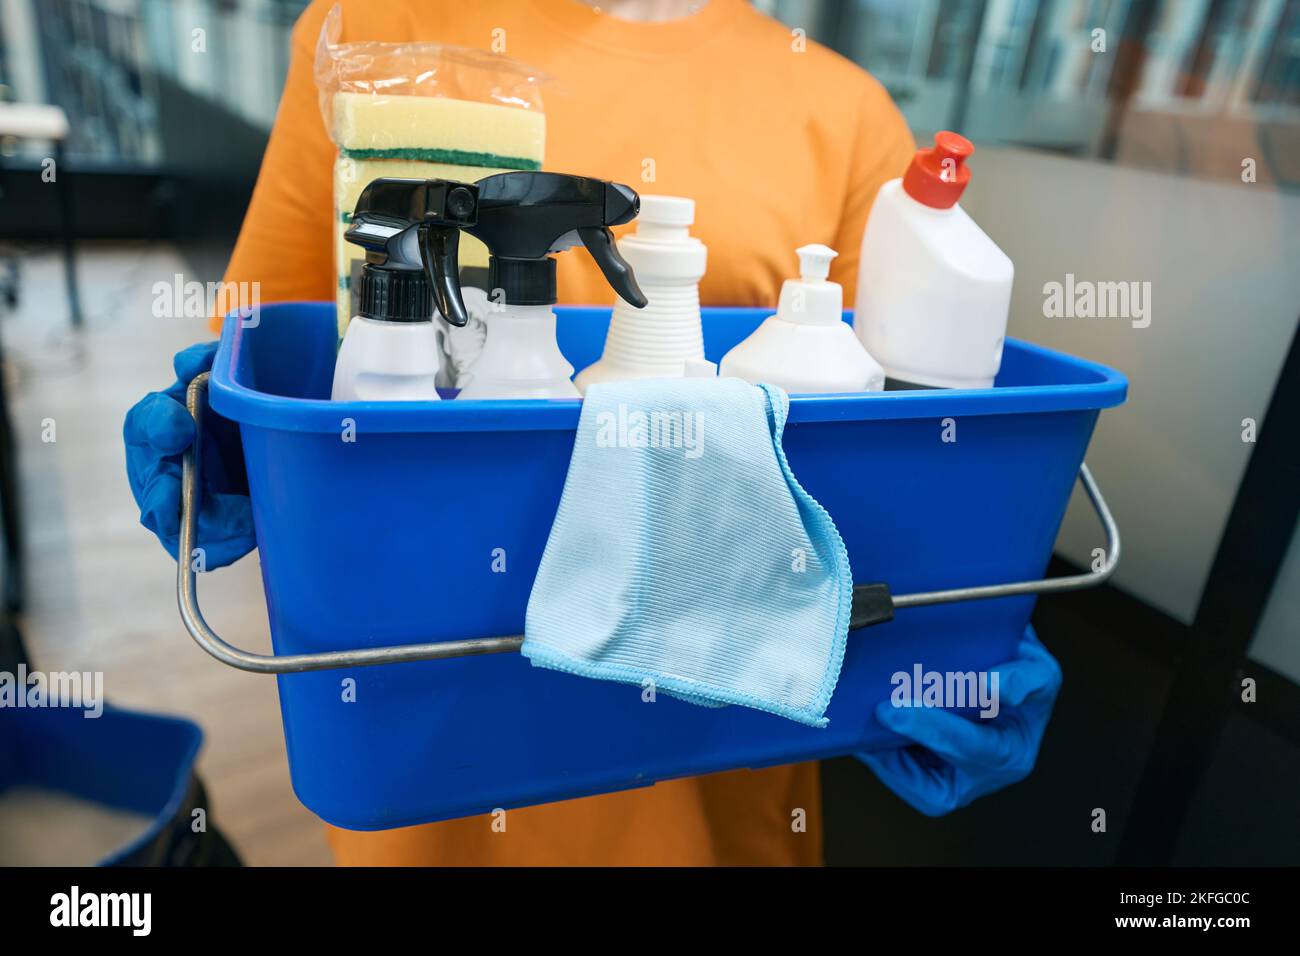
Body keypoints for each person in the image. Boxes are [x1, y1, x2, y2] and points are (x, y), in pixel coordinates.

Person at [124, 0, 1061, 866]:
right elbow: (281, 352)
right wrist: (230, 457)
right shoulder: (372, 26)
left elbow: (891, 442)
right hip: (435, 792)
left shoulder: (843, 111)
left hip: (720, 770)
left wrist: (958, 629)